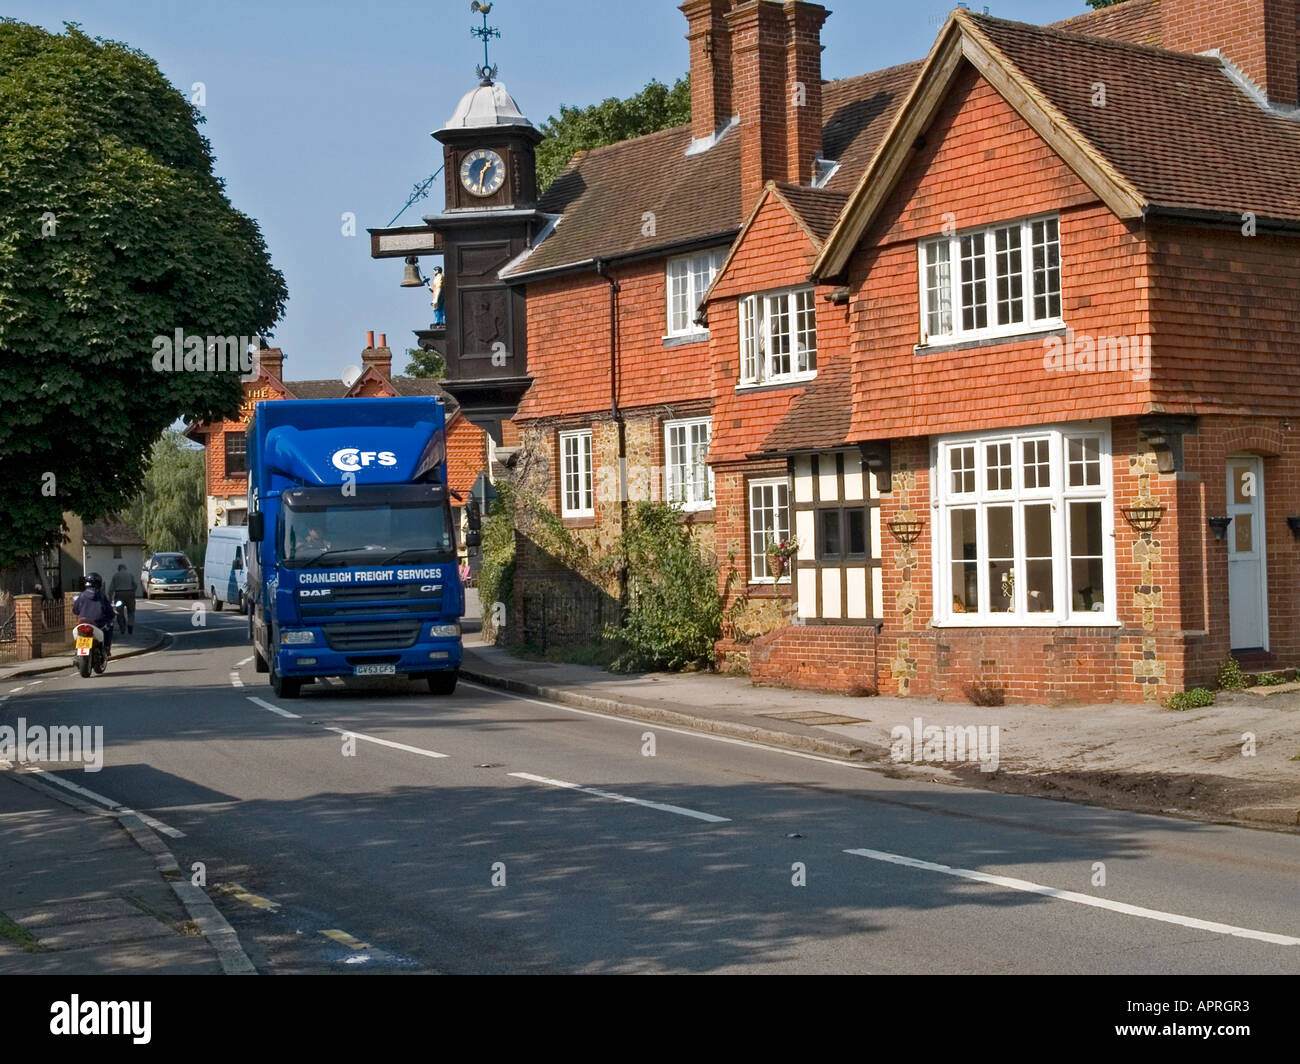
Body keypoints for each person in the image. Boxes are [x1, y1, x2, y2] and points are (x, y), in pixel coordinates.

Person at [73, 573, 115, 657]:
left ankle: (77, 650)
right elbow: (109, 611)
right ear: (99, 583)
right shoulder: (101, 596)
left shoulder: (82, 595)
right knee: (110, 626)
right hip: (98, 623)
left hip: (83, 621)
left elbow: (75, 610)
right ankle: (106, 648)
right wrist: (111, 614)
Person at [108, 564, 138, 634]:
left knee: (119, 612)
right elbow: (135, 585)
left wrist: (110, 598)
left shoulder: (116, 575)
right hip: (130, 594)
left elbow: (111, 588)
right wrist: (133, 591)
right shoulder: (130, 575)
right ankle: (130, 626)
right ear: (125, 568)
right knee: (131, 612)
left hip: (119, 595)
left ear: (119, 569)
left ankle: (122, 627)